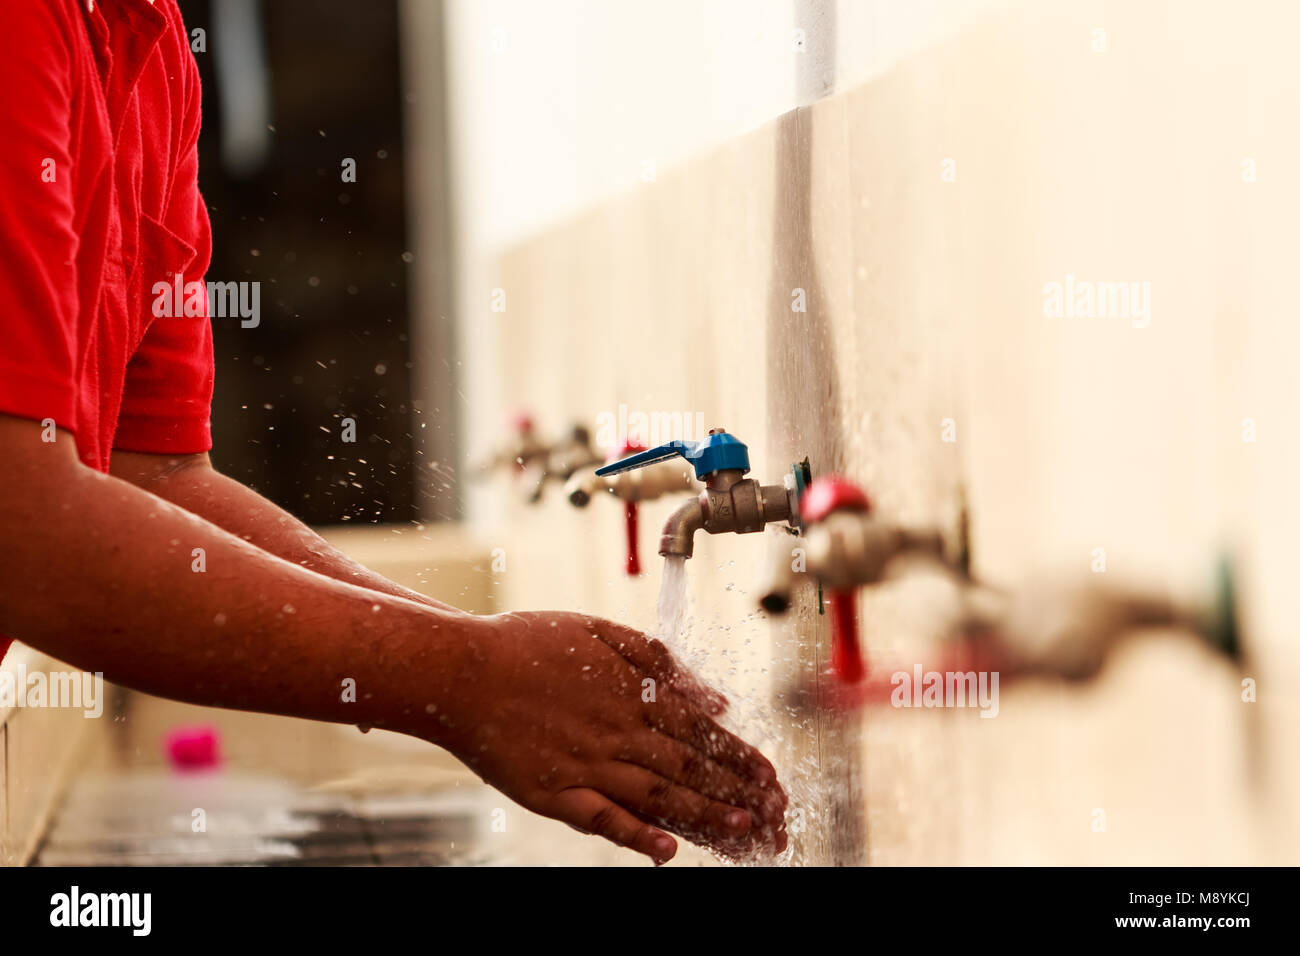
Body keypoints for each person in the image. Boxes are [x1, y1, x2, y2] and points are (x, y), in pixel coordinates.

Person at [0, 0, 786, 864]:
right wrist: (466, 676)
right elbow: (21, 529)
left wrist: (492, 669)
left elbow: (153, 475)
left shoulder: (152, 50)